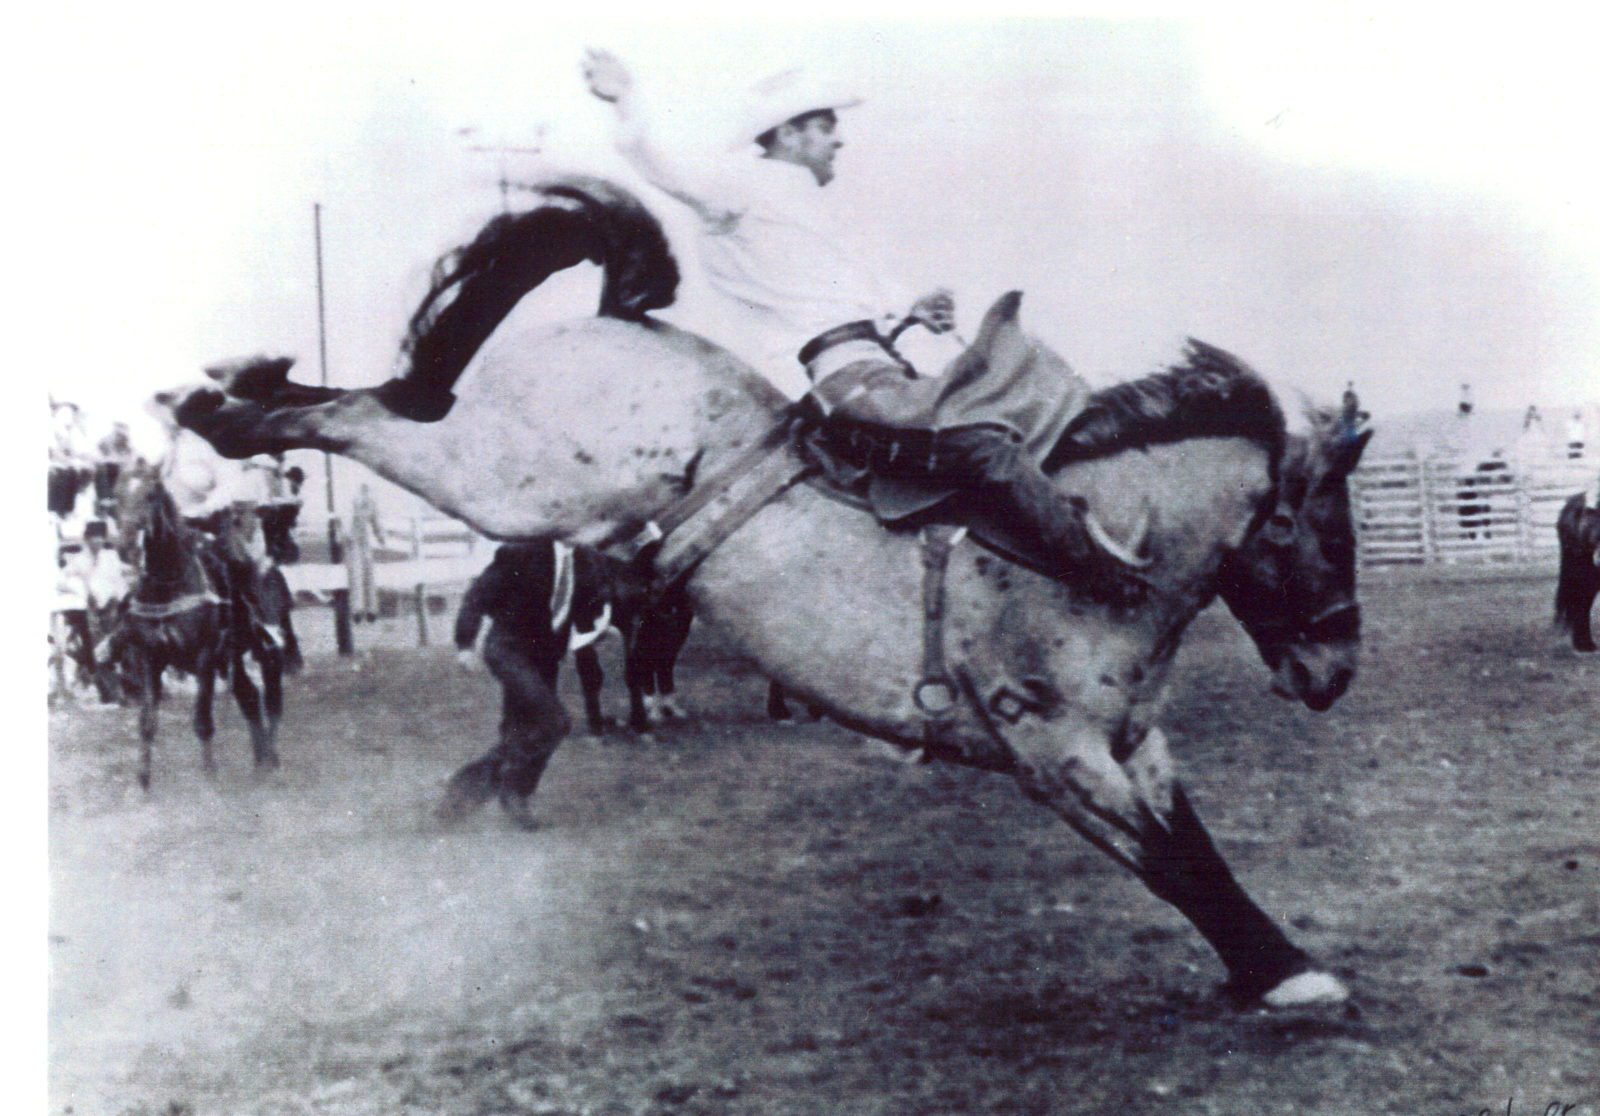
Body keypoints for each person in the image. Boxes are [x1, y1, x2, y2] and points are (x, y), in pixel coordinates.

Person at [582, 50, 1118, 586]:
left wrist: (913, 307)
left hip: (880, 374)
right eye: (824, 128)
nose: (838, 140)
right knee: (990, 451)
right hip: (851, 386)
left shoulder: (810, 206)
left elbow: (846, 294)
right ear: (787, 135)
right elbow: (669, 170)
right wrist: (627, 102)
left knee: (1019, 409)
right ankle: (1104, 580)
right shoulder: (739, 185)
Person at [346, 484, 386, 622]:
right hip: (352, 541)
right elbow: (345, 521)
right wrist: (347, 536)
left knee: (369, 573)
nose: (365, 496)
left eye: (366, 493)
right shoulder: (350, 503)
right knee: (355, 574)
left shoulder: (370, 503)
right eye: (363, 493)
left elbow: (375, 520)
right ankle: (357, 610)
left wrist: (380, 535)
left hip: (365, 541)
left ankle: (371, 610)